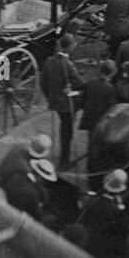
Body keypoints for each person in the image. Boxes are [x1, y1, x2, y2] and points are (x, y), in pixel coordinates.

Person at [40, 33, 85, 168]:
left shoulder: (49, 61)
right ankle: (64, 160)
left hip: (55, 102)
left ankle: (64, 158)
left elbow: (43, 83)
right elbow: (80, 84)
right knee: (67, 131)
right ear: (70, 47)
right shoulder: (68, 65)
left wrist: (51, 97)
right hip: (67, 104)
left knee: (64, 127)